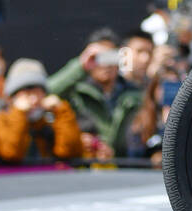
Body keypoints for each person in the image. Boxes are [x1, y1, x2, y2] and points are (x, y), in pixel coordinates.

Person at [47, 28, 143, 160]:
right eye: (99, 58)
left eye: (111, 56)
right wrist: (81, 66)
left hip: (125, 167)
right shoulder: (75, 91)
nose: (106, 64)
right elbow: (46, 92)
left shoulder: (134, 94)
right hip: (85, 165)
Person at [0, 58, 83, 165]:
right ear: (13, 96)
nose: (34, 100)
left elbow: (69, 153)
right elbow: (11, 154)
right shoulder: (0, 120)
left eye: (38, 93)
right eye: (26, 93)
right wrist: (19, 113)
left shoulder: (49, 122)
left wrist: (61, 111)